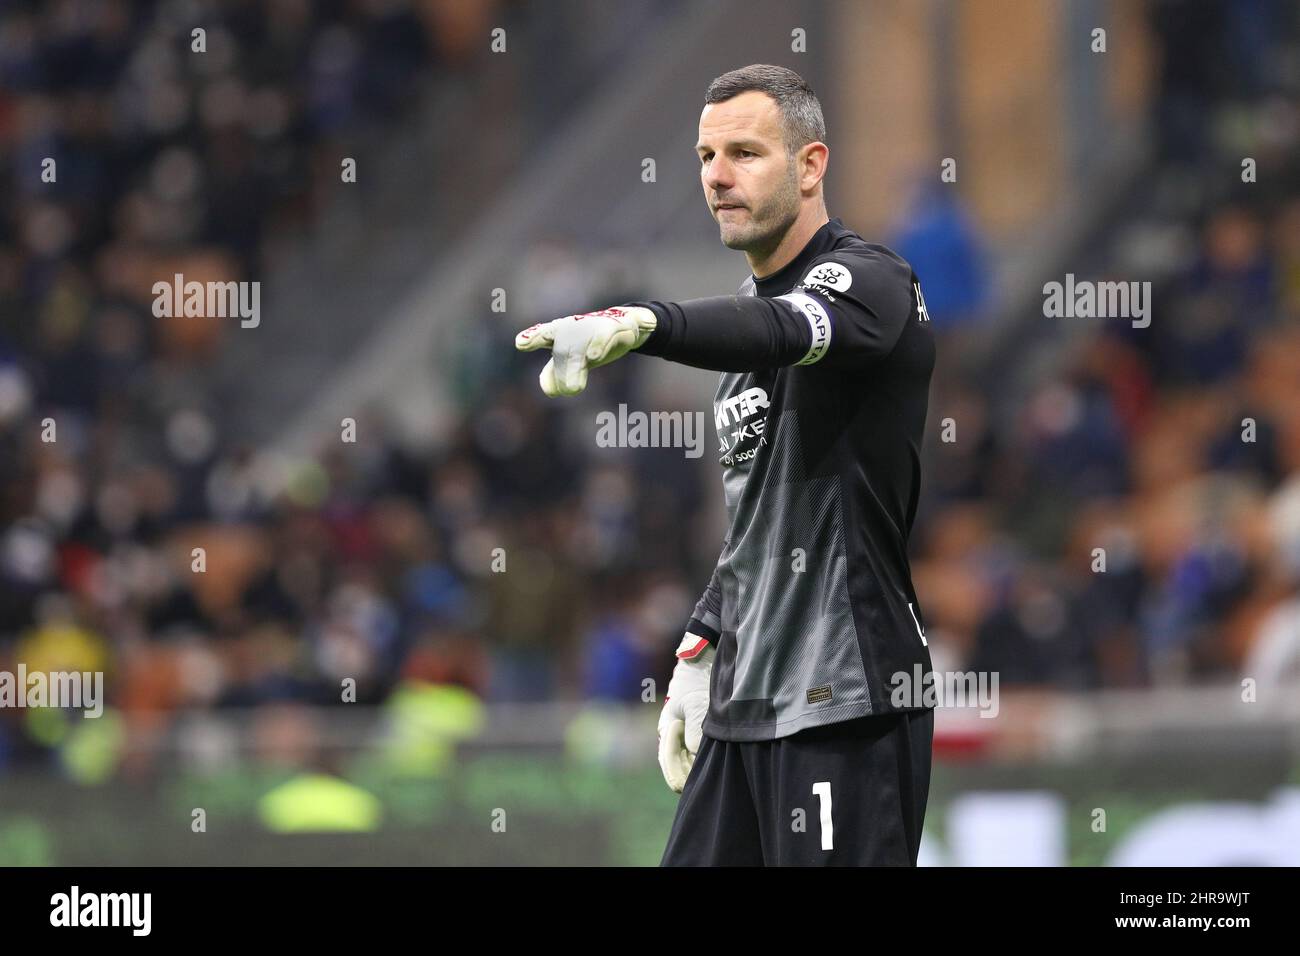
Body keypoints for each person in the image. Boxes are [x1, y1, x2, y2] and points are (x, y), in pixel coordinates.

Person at [516, 64, 936, 865]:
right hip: (747, 703)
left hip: (844, 700)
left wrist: (646, 322)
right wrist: (702, 641)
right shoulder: (745, 344)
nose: (717, 176)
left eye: (745, 152)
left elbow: (788, 329)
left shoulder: (872, 283)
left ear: (811, 165)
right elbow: (759, 524)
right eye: (706, 157)